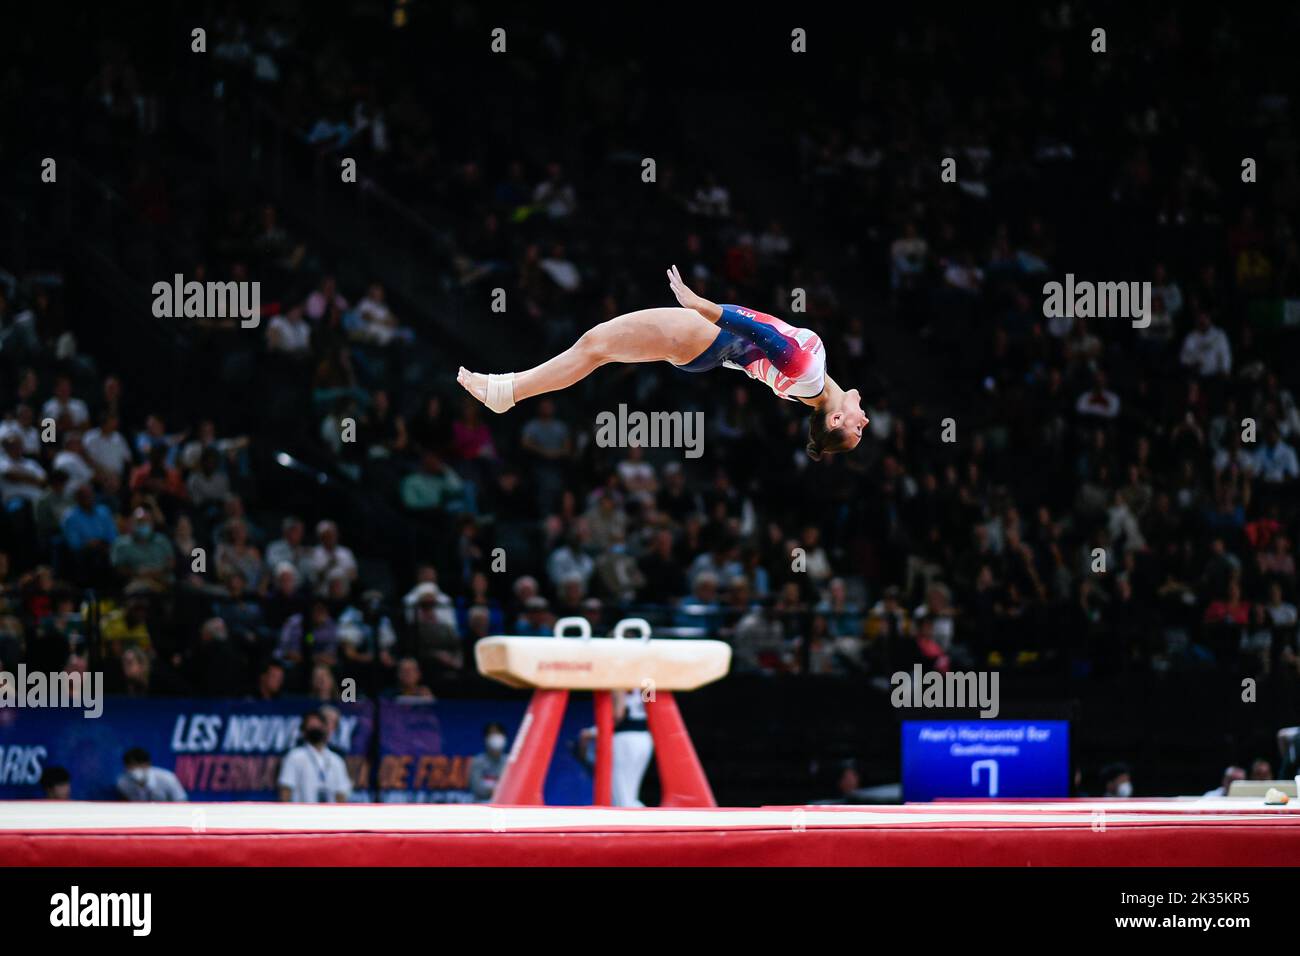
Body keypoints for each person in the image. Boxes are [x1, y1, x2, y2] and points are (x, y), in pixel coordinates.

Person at [458, 266, 869, 460]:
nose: (864, 421)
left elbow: (765, 336)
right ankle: (508, 391)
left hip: (706, 334)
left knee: (595, 345)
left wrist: (704, 307)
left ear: (834, 421)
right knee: (596, 347)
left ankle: (506, 392)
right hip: (707, 347)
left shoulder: (810, 375)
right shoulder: (810, 393)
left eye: (855, 429)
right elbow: (759, 350)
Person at [278, 709, 352, 803]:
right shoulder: (294, 757)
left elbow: (341, 794)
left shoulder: (336, 760)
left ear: (326, 729)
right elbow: (286, 789)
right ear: (304, 731)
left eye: (318, 726)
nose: (316, 729)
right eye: (312, 727)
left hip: (330, 815)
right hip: (302, 814)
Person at [612, 688, 654, 807]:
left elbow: (618, 714)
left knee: (622, 798)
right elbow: (650, 704)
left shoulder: (620, 676)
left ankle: (648, 823)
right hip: (644, 737)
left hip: (625, 738)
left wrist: (595, 731)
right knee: (629, 795)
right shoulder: (648, 679)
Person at [116, 747, 188, 802]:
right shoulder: (123, 783)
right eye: (131, 766)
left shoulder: (167, 778)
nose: (135, 769)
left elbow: (182, 802)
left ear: (147, 764)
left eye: (138, 765)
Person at [468, 722, 509, 802]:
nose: (496, 738)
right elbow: (477, 789)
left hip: (504, 806)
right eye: (492, 734)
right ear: (486, 738)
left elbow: (512, 788)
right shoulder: (477, 761)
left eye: (498, 733)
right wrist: (499, 790)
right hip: (481, 807)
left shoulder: (509, 762)